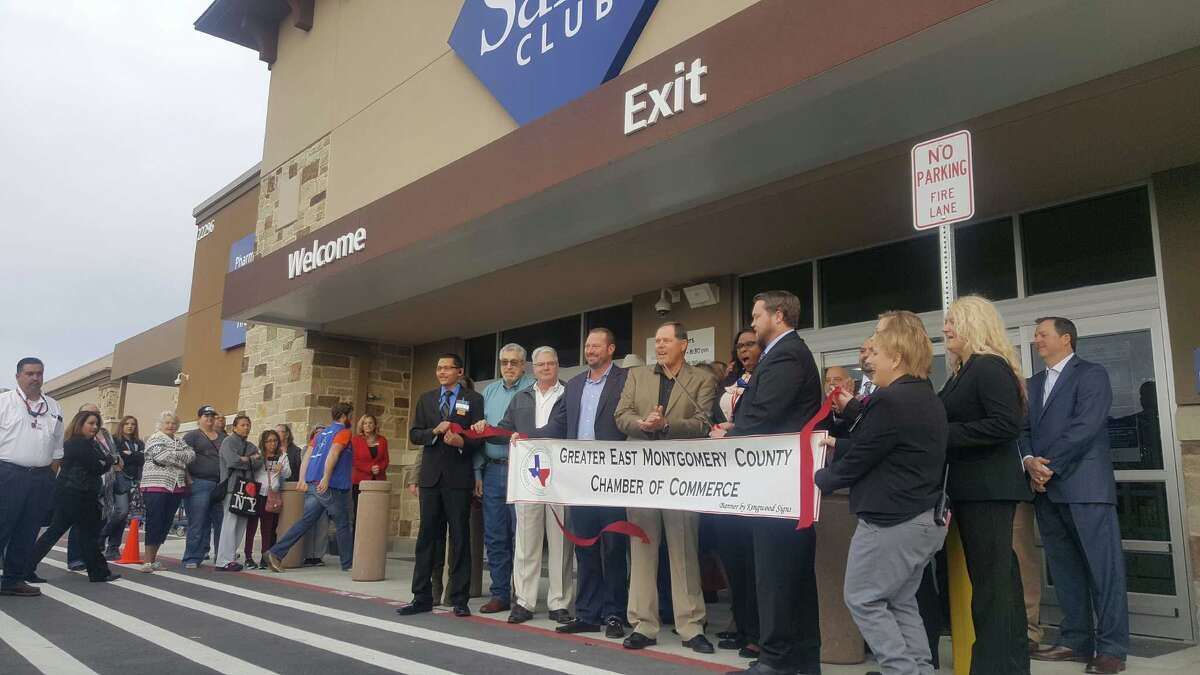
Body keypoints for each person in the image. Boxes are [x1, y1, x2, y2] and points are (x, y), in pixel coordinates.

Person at [815, 310, 948, 675]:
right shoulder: (924, 396)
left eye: (877, 348)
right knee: (901, 602)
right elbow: (882, 440)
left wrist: (818, 478)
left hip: (891, 522)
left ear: (897, 356)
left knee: (863, 599)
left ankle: (901, 670)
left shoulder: (891, 400)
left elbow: (860, 455)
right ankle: (920, 669)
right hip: (922, 520)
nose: (869, 356)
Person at [713, 291, 822, 675]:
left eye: (757, 315)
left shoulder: (787, 353)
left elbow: (765, 414)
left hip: (780, 486)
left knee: (777, 574)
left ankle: (776, 659)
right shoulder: (784, 353)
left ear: (778, 315)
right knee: (786, 574)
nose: (753, 322)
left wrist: (730, 435)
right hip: (780, 485)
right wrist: (737, 426)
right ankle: (800, 659)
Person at [1021, 317, 1127, 675]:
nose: (1037, 340)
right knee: (1066, 571)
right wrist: (1028, 461)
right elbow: (1021, 430)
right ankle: (1076, 641)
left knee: (1103, 571)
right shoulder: (1032, 385)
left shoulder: (1091, 374)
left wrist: (1048, 466)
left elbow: (1086, 426)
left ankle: (1112, 648)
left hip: (1085, 489)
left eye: (1042, 334)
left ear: (1065, 339)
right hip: (1046, 492)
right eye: (1036, 335)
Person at [940, 296, 1032, 675]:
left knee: (992, 587)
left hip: (988, 491)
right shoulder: (963, 371)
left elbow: (1005, 424)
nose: (945, 328)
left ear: (974, 324)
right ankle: (1005, 663)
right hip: (972, 490)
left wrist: (945, 433)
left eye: (952, 322)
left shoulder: (988, 367)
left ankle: (994, 666)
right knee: (995, 583)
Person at [614, 321, 717, 654]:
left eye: (666, 340)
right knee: (642, 548)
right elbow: (621, 415)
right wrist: (642, 425)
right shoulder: (637, 375)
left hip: (681, 477)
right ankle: (643, 625)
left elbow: (703, 424)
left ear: (684, 345)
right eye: (656, 341)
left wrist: (667, 424)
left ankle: (690, 626)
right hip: (642, 474)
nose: (659, 346)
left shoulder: (701, 379)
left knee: (684, 549)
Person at [533, 328, 631, 638]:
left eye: (596, 345)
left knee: (614, 547)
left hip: (613, 478)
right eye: (587, 345)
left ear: (611, 349)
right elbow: (558, 425)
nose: (590, 350)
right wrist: (523, 436)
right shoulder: (573, 386)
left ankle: (615, 613)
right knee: (585, 546)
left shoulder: (626, 380)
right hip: (579, 479)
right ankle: (588, 613)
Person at [398, 354, 485, 618]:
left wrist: (463, 443)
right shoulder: (426, 399)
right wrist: (434, 432)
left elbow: (479, 437)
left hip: (458, 478)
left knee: (460, 537)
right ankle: (421, 596)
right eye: (439, 368)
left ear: (459, 371)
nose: (442, 372)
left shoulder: (473, 400)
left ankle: (459, 597)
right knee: (427, 538)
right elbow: (415, 434)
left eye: (447, 368)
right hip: (431, 478)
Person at [496, 346, 572, 625]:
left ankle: (559, 603)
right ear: (533, 368)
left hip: (562, 478)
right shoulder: (520, 397)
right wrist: (497, 433)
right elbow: (505, 428)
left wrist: (527, 435)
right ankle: (524, 602)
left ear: (557, 366)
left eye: (550, 364)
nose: (545, 368)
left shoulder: (569, 394)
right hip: (528, 477)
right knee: (526, 542)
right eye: (540, 365)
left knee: (561, 541)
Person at [471, 343, 535, 614]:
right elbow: (479, 431)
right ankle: (499, 593)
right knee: (496, 535)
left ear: (524, 365)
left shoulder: (533, 387)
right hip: (494, 469)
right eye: (504, 362)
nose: (509, 366)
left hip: (525, 469)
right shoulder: (490, 391)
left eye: (514, 362)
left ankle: (524, 595)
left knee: (523, 535)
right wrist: (477, 471)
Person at [711, 328, 763, 658]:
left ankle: (759, 632)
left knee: (754, 561)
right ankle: (741, 626)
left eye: (750, 344)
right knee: (733, 559)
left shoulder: (767, 380)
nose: (745, 350)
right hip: (724, 482)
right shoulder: (730, 383)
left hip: (754, 482)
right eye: (740, 346)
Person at [28, 409, 120, 583]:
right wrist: (110, 460)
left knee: (60, 533)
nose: (94, 427)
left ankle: (26, 567)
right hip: (77, 495)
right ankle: (98, 571)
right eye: (91, 423)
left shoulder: (86, 443)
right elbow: (97, 466)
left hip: (74, 495)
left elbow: (101, 461)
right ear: (80, 424)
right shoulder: (78, 444)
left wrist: (106, 460)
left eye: (96, 424)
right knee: (87, 534)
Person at [0, 358, 64, 597]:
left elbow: (58, 447)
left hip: (40, 477)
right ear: (18, 376)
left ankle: (12, 580)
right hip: (7, 473)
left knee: (26, 532)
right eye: (29, 374)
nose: (35, 378)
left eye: (39, 373)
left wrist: (49, 475)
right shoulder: (4, 402)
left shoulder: (54, 406)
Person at [265, 405, 356, 572]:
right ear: (344, 416)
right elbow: (334, 454)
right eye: (351, 415)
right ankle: (348, 564)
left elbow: (308, 455)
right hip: (330, 485)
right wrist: (326, 478)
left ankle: (276, 552)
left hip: (313, 483)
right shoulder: (343, 432)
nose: (352, 418)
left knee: (306, 521)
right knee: (343, 523)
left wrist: (302, 479)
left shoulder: (321, 434)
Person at [139, 411, 195, 573]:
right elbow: (162, 457)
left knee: (165, 522)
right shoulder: (155, 438)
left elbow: (191, 455)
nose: (171, 426)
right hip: (156, 484)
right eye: (167, 423)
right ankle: (147, 561)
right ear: (161, 424)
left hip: (176, 486)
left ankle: (154, 559)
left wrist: (176, 457)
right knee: (155, 521)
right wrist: (180, 459)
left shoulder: (179, 440)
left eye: (173, 423)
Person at [66, 403, 120, 571]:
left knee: (97, 523)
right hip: (83, 487)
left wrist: (114, 460)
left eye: (97, 416)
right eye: (90, 417)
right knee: (78, 524)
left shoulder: (105, 434)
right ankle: (75, 558)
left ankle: (92, 559)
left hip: (106, 483)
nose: (95, 423)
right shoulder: (78, 438)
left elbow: (113, 454)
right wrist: (108, 461)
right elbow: (95, 463)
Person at [213, 415, 262, 572]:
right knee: (230, 523)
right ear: (234, 427)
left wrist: (245, 459)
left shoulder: (249, 445)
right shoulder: (228, 442)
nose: (246, 427)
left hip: (246, 489)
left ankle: (231, 557)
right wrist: (249, 459)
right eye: (243, 425)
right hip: (231, 487)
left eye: (248, 424)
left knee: (241, 523)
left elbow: (259, 461)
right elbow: (232, 461)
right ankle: (223, 560)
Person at [182, 405, 226, 569]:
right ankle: (192, 557)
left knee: (220, 522)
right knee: (197, 522)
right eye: (206, 416)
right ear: (199, 419)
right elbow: (183, 459)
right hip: (198, 483)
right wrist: (188, 479)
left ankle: (221, 556)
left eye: (212, 416)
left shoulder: (222, 437)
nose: (209, 419)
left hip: (219, 485)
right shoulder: (192, 436)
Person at [100, 415, 143, 559]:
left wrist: (132, 455)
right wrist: (131, 456)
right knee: (121, 510)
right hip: (118, 478)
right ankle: (102, 535)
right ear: (122, 425)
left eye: (133, 424)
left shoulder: (139, 442)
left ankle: (113, 548)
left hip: (133, 480)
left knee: (124, 516)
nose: (130, 426)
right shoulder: (115, 440)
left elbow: (142, 459)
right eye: (127, 424)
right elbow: (117, 458)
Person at [245, 429, 289, 568]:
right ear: (263, 443)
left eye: (275, 441)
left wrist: (281, 468)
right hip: (256, 492)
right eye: (269, 441)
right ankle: (248, 556)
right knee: (251, 526)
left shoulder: (282, 456)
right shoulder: (258, 455)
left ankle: (265, 557)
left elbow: (288, 474)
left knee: (267, 528)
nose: (272, 444)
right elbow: (251, 469)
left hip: (271, 495)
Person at [300, 425, 331, 566]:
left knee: (323, 524)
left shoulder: (330, 449)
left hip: (324, 487)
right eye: (316, 433)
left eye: (322, 433)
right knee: (309, 521)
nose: (319, 436)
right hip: (310, 487)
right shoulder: (307, 449)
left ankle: (318, 555)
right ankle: (307, 555)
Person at [351, 415, 390, 520]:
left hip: (378, 479)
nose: (368, 425)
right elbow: (354, 460)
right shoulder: (356, 440)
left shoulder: (383, 440)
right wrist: (369, 468)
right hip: (360, 481)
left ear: (375, 425)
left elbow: (386, 460)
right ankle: (358, 536)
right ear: (362, 426)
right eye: (365, 423)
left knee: (376, 511)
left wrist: (379, 468)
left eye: (370, 423)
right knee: (359, 512)